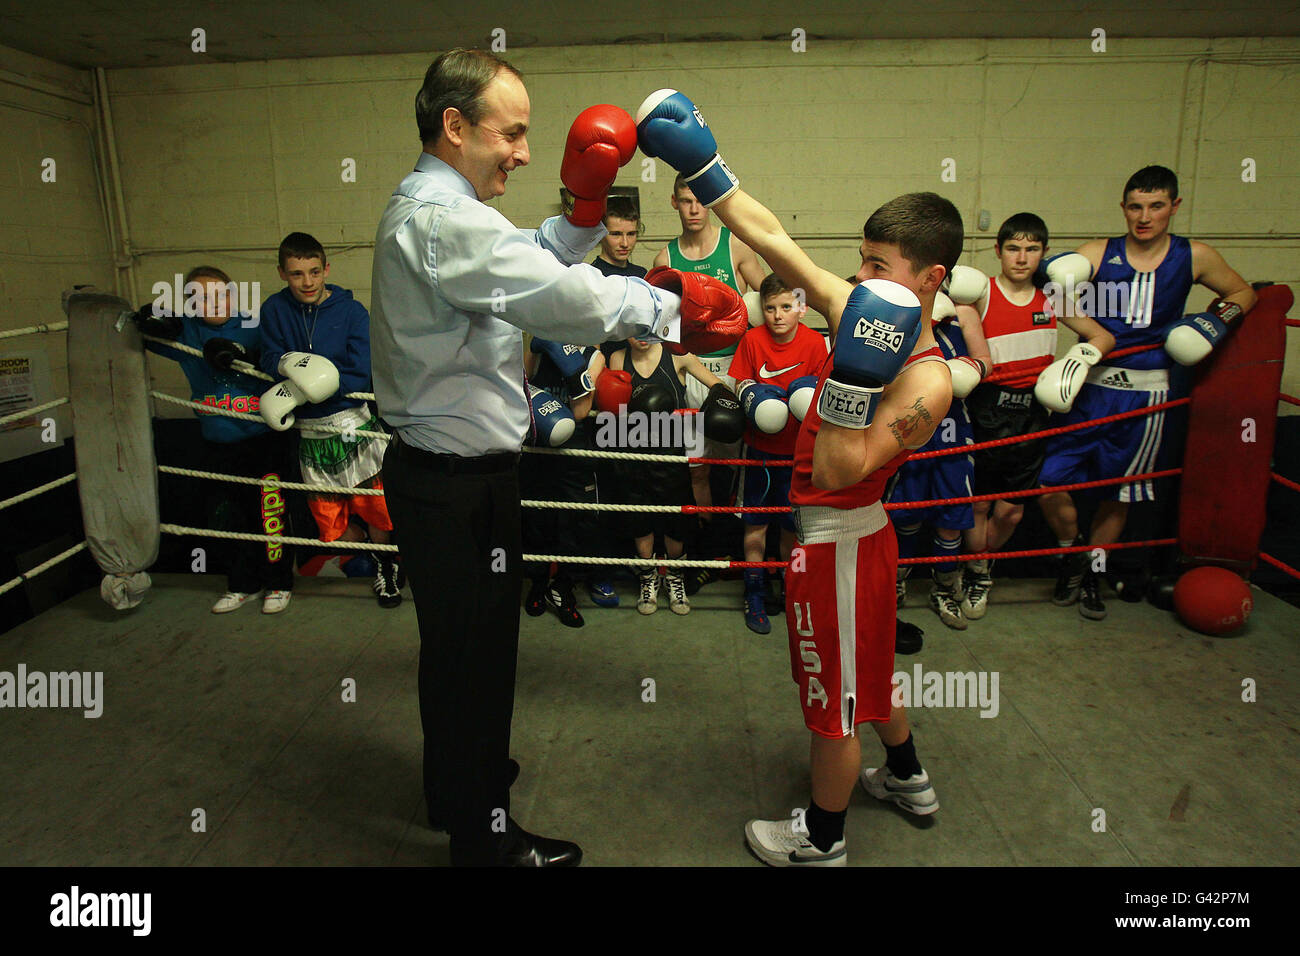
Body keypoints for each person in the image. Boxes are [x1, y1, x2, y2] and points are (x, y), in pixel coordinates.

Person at [369, 53, 746, 867]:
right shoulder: (443, 224)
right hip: (456, 484)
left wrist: (581, 209)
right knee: (478, 662)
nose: (525, 153)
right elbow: (562, 297)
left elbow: (531, 258)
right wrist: (671, 311)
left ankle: (456, 788)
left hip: (453, 477)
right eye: (512, 133)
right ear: (456, 127)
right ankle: (485, 839)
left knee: (459, 653)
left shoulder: (448, 214)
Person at [636, 87, 958, 865]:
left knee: (833, 704)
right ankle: (908, 778)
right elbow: (778, 243)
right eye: (862, 259)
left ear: (928, 278)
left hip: (842, 543)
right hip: (853, 546)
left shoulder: (927, 379)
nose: (856, 275)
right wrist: (706, 167)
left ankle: (823, 836)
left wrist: (850, 373)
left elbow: (838, 462)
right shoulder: (858, 306)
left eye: (878, 266)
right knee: (872, 675)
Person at [1036, 166, 1256, 620]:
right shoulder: (1100, 252)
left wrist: (1212, 323)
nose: (1144, 216)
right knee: (1048, 482)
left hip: (1147, 394)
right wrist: (1098, 336)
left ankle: (1092, 573)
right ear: (1124, 207)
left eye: (1156, 206)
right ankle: (1072, 554)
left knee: (1120, 493)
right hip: (1090, 386)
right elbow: (1052, 292)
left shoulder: (1193, 255)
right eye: (1136, 206)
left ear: (1174, 207)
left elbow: (1242, 292)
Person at [959, 213, 1113, 620]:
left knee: (1011, 511)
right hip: (985, 407)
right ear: (998, 251)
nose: (1022, 258)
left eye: (1031, 249)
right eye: (1013, 248)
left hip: (1032, 412)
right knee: (976, 507)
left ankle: (980, 564)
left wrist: (1075, 362)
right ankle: (977, 573)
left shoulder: (1054, 298)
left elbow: (1102, 335)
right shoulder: (981, 295)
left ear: (1044, 253)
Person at [137, 266, 297, 615]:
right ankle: (242, 584)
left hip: (262, 440)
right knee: (227, 518)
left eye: (219, 295)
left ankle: (279, 582)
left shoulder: (256, 324)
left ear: (232, 295)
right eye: (201, 298)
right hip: (215, 442)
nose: (212, 304)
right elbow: (142, 330)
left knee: (269, 515)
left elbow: (283, 360)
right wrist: (149, 316)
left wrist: (245, 354)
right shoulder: (186, 331)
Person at [256, 233, 402, 607]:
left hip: (352, 423)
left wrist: (312, 386)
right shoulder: (274, 309)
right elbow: (268, 357)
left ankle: (387, 568)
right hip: (310, 432)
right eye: (296, 274)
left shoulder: (352, 312)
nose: (307, 282)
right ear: (282, 273)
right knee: (332, 526)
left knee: (376, 509)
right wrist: (289, 365)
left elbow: (361, 371)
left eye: (314, 272)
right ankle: (370, 552)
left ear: (326, 269)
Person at [654, 175, 767, 578]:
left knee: (732, 466)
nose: (694, 209)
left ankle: (727, 550)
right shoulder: (665, 261)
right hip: (689, 371)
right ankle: (701, 553)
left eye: (701, 201)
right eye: (686, 201)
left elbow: (772, 299)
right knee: (695, 467)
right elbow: (660, 331)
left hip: (731, 373)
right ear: (675, 203)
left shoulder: (735, 246)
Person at [727, 273, 828, 634]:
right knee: (755, 526)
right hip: (759, 452)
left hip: (799, 455)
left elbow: (822, 397)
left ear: (801, 307)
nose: (778, 315)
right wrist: (755, 396)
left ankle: (790, 588)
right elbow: (740, 384)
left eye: (786, 307)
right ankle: (754, 590)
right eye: (770, 308)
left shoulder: (817, 343)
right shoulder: (752, 340)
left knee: (791, 529)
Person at [888, 297, 990, 630]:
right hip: (908, 425)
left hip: (952, 431)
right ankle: (897, 583)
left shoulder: (963, 313)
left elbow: (986, 362)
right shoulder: (896, 310)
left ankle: (944, 587)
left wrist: (970, 369)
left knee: (951, 516)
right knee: (906, 514)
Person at [604, 337, 725, 615]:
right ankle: (647, 578)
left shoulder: (678, 356)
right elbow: (612, 409)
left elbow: (718, 387)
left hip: (669, 451)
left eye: (648, 329)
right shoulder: (617, 357)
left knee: (676, 518)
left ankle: (674, 577)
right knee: (639, 516)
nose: (642, 337)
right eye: (636, 330)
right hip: (631, 450)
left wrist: (718, 409)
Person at [521, 337, 606, 623]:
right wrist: (535, 349)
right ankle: (538, 583)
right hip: (537, 448)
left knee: (576, 523)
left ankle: (564, 587)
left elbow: (580, 412)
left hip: (575, 451)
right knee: (536, 519)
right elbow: (520, 387)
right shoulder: (540, 348)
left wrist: (570, 366)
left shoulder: (595, 357)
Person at [590, 197, 646, 279]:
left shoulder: (642, 275)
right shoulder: (592, 277)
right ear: (600, 234)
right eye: (616, 234)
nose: (625, 243)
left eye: (631, 234)